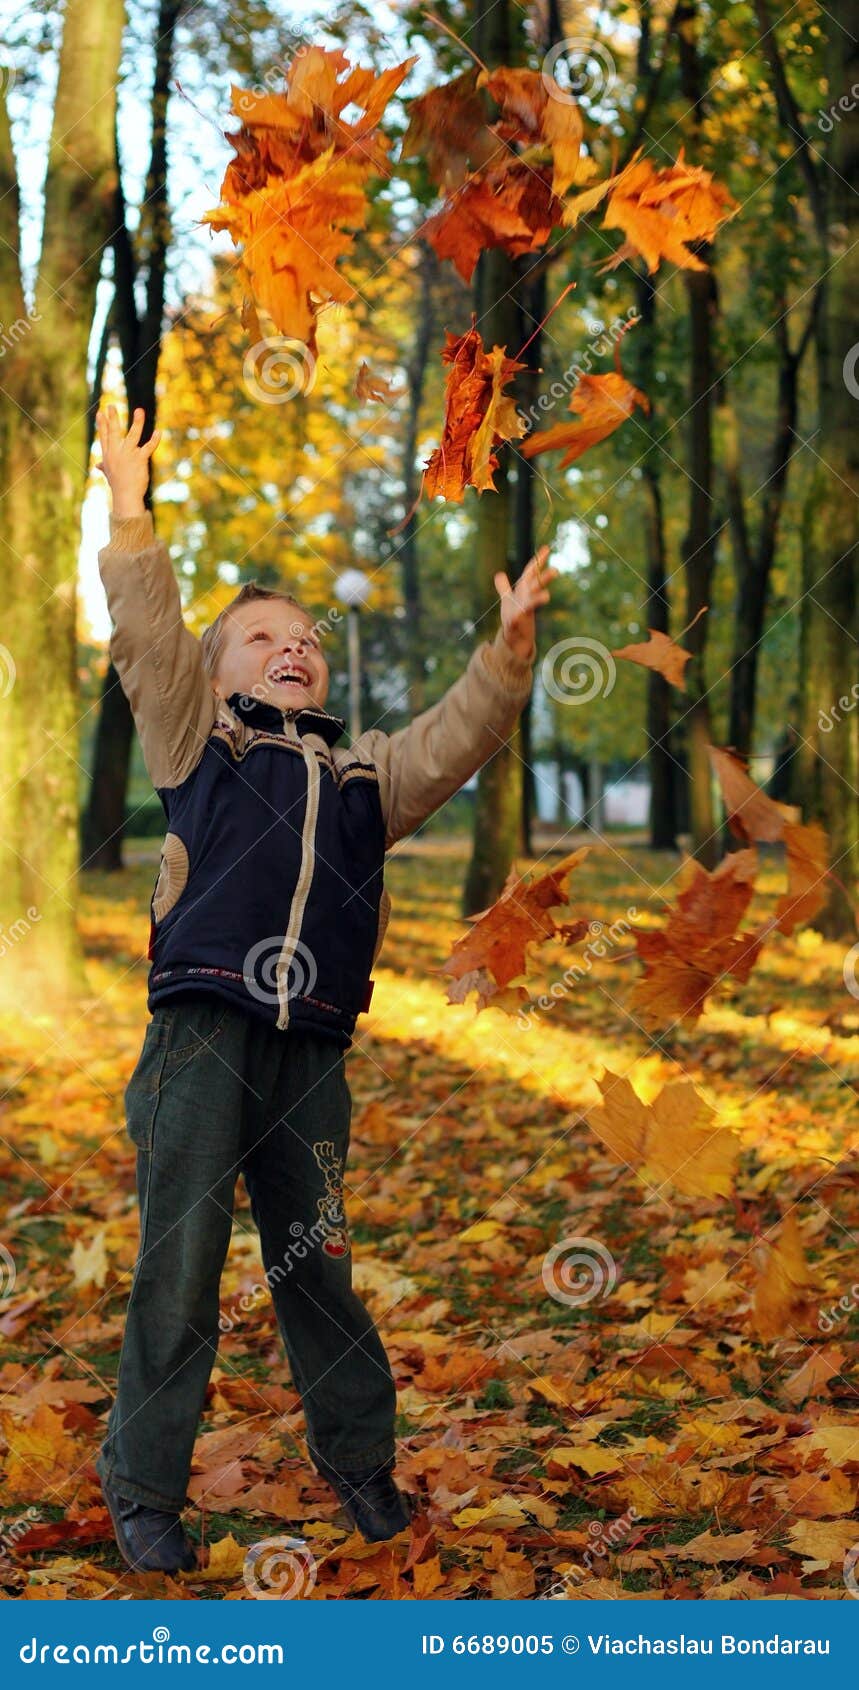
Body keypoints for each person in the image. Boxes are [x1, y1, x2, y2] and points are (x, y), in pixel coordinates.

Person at [92, 404, 557, 1574]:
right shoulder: (199, 741)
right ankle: (146, 1487)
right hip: (203, 1033)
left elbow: (454, 738)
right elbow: (149, 634)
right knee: (180, 1265)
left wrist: (504, 657)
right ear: (216, 669)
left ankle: (361, 1466)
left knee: (318, 1269)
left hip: (311, 1059)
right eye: (261, 638)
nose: (291, 647)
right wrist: (133, 513)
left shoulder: (366, 776)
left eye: (304, 637)